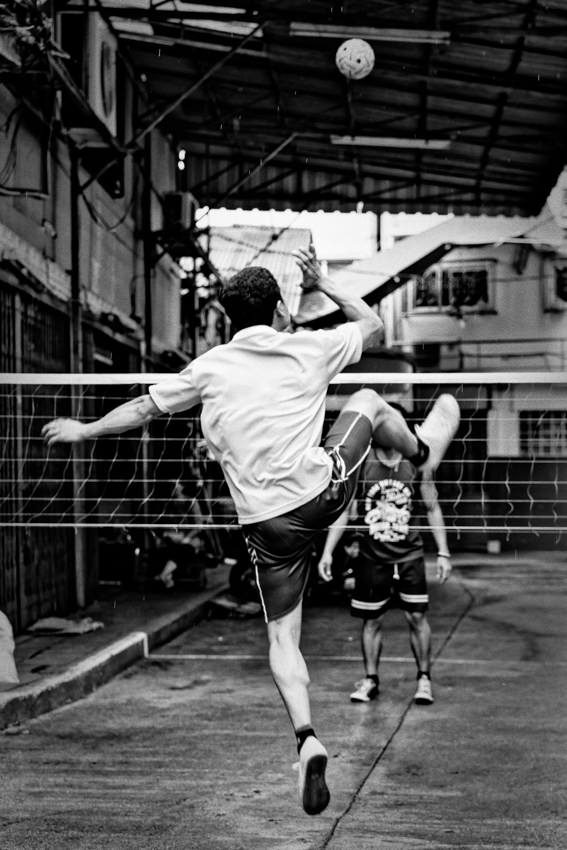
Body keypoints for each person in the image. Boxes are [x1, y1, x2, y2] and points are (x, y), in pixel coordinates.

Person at [42, 248, 456, 816]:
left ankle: (307, 736)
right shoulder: (309, 346)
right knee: (367, 400)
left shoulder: (210, 367)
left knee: (283, 638)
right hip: (319, 494)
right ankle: (422, 451)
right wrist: (325, 283)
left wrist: (84, 429)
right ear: (281, 310)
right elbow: (374, 323)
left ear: (228, 317)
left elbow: (142, 408)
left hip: (264, 524)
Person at [317, 404, 453, 707]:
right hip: (371, 556)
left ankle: (424, 679)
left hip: (408, 554)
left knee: (416, 616)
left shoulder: (417, 464)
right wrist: (328, 552)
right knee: (371, 620)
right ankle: (371, 680)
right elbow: (344, 512)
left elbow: (432, 507)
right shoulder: (361, 464)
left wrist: (443, 552)